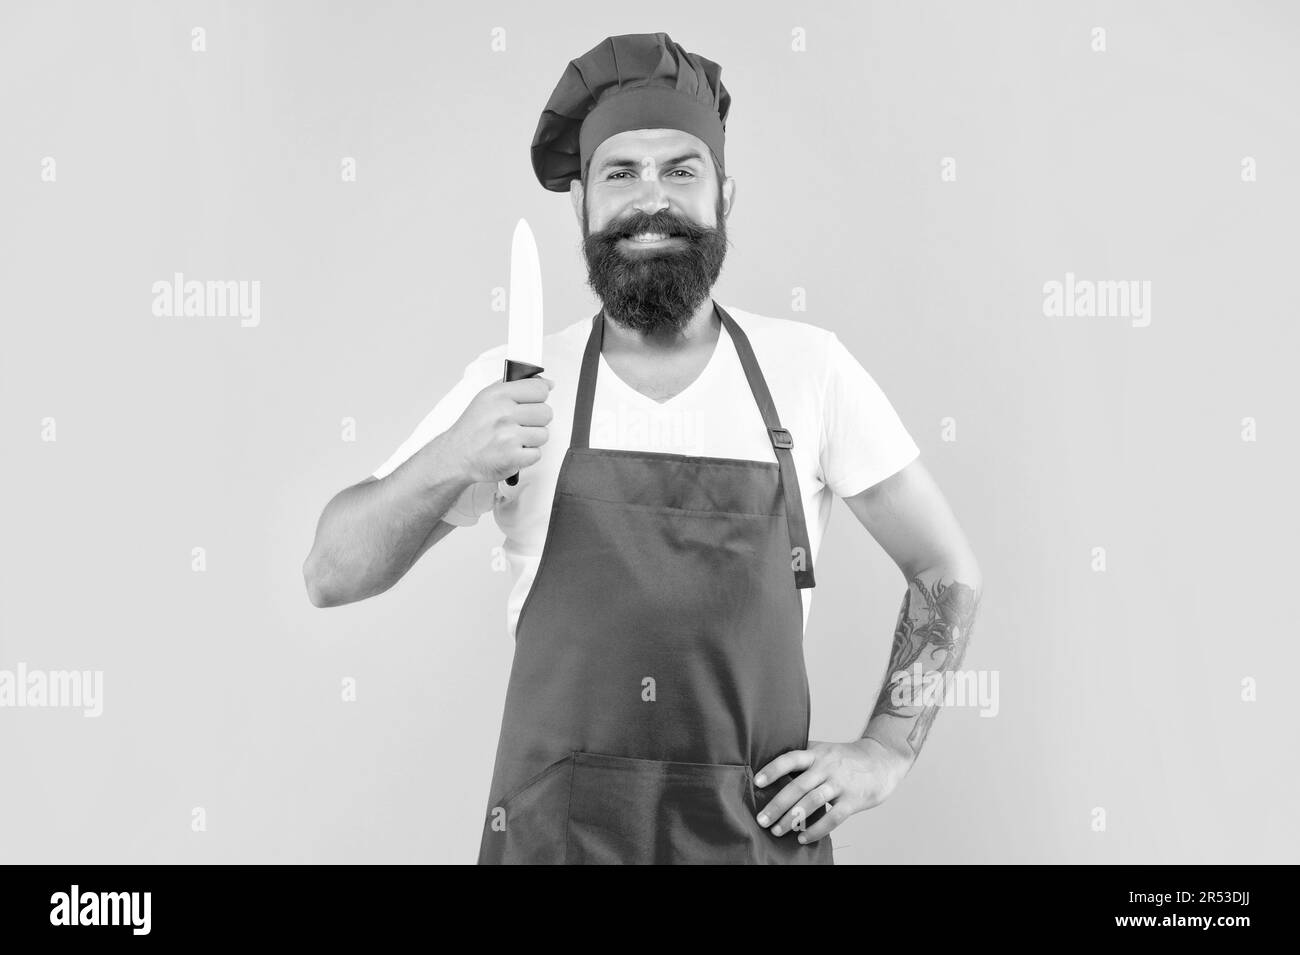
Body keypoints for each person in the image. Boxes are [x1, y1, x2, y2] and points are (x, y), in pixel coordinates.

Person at [303, 32, 983, 865]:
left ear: (724, 195)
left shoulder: (810, 371)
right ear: (582, 201)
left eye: (680, 170)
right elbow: (331, 571)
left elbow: (947, 570)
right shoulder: (518, 382)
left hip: (753, 845)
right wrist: (452, 455)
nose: (649, 199)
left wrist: (886, 751)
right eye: (621, 172)